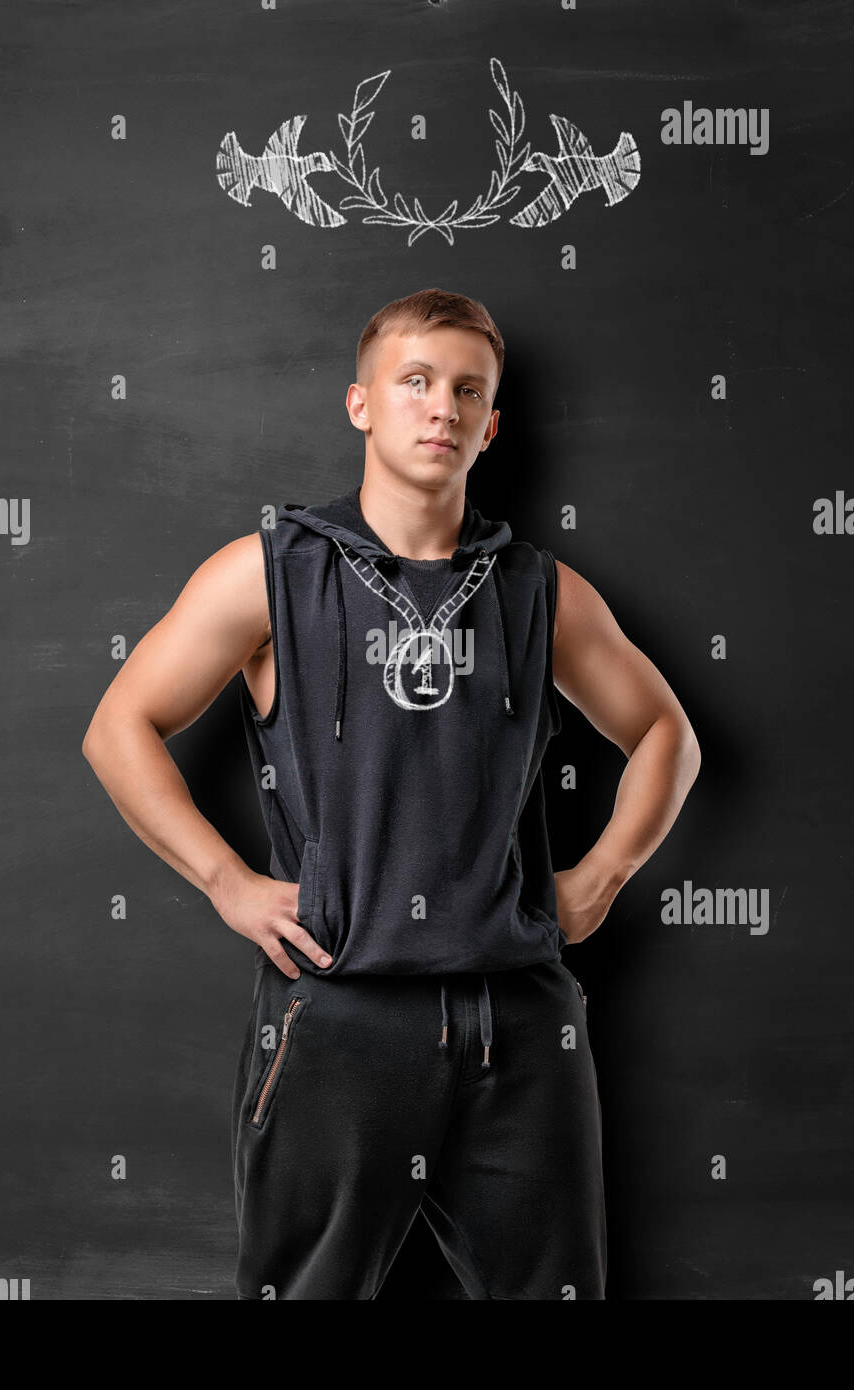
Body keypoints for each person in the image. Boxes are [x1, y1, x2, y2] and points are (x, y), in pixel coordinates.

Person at [81, 287, 701, 1300]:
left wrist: (604, 871)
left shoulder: (540, 590)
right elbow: (119, 728)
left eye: (467, 389)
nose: (441, 407)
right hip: (338, 1014)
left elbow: (664, 731)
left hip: (520, 1018)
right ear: (361, 403)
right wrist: (225, 880)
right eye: (415, 381)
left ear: (492, 423)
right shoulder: (267, 574)